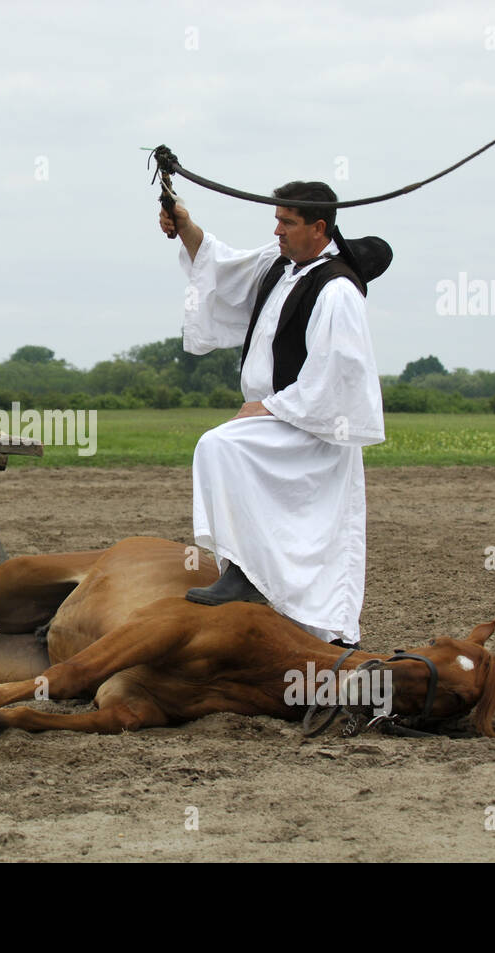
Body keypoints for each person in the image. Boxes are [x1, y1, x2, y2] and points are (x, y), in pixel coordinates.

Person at [159, 182, 385, 647]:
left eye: (287, 222)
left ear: (318, 228)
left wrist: (272, 406)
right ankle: (250, 577)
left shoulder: (337, 289)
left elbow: (339, 376)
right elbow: (223, 269)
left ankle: (255, 580)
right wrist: (186, 228)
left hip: (311, 427)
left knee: (220, 446)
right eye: (277, 220)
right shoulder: (280, 266)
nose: (277, 230)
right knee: (232, 459)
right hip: (277, 420)